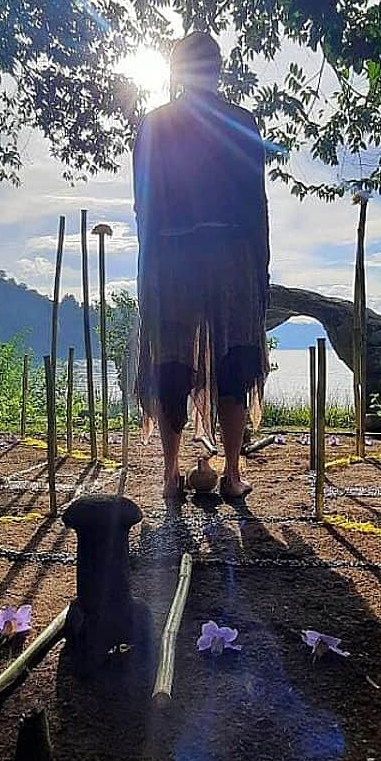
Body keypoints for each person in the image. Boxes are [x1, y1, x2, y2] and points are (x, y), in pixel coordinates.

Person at [133, 31, 271, 499]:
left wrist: (146, 268)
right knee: (234, 358)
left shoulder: (154, 125)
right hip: (231, 256)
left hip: (172, 259)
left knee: (172, 360)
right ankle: (231, 475)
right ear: (217, 70)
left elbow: (144, 206)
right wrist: (261, 267)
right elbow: (256, 206)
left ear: (176, 72)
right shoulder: (241, 122)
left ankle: (172, 474)